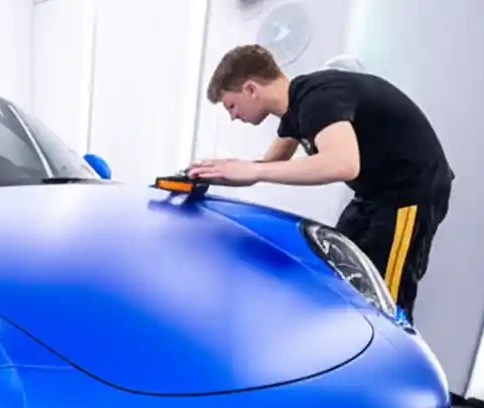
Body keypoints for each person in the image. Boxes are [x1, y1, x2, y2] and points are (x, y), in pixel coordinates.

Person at [190, 44, 453, 322]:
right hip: (373, 194)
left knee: (383, 303)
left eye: (231, 105)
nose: (233, 116)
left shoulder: (318, 98)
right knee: (338, 272)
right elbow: (271, 163)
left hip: (409, 194)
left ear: (251, 89)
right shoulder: (297, 107)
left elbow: (344, 164)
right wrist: (222, 173)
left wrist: (252, 172)